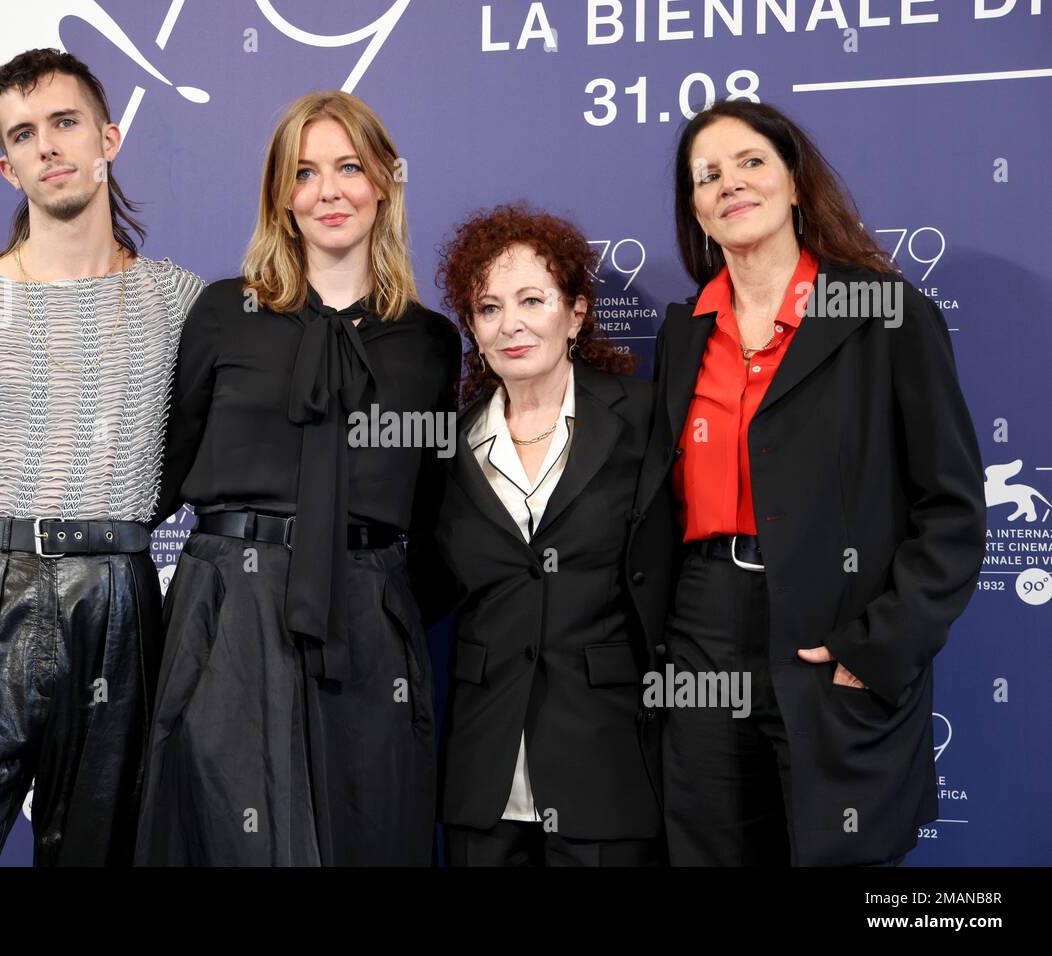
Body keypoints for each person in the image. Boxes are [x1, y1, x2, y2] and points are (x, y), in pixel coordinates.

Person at [626, 100, 986, 866]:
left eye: (751, 162)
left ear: (794, 182)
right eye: (707, 176)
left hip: (831, 632)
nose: (730, 183)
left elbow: (952, 510)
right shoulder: (686, 329)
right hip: (702, 635)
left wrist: (878, 648)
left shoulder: (885, 315)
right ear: (695, 210)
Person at [0, 48, 205, 866]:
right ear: (7, 165)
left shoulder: (181, 303)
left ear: (108, 138)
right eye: (24, 134)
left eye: (65, 122)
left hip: (120, 606)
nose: (48, 146)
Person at [135, 91, 461, 866]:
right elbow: (162, 473)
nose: (328, 192)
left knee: (369, 835)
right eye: (305, 173)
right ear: (282, 196)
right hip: (229, 611)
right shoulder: (224, 312)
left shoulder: (430, 341)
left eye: (349, 168)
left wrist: (381, 604)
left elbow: (437, 513)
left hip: (366, 620)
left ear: (384, 181)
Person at [430, 204, 667, 866]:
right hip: (483, 775)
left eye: (532, 300)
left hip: (607, 767)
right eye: (488, 308)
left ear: (576, 313)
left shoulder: (644, 420)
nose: (511, 324)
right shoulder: (447, 444)